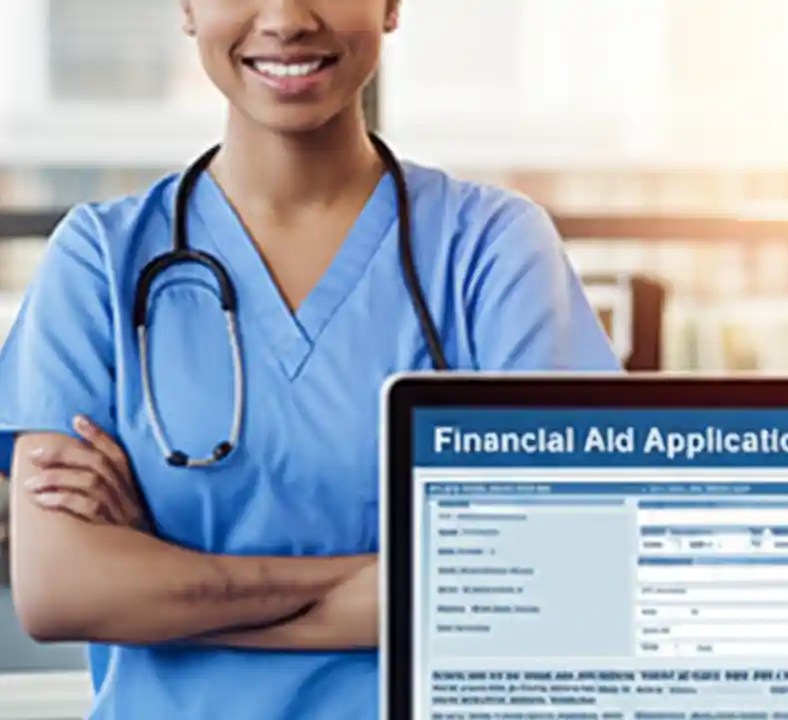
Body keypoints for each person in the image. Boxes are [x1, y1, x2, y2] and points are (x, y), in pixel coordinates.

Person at [0, 1, 619, 718]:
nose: (288, 18)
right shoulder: (100, 259)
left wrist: (174, 588)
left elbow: (562, 569)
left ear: (389, 6)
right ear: (187, 8)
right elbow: (59, 591)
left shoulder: (491, 249)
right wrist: (405, 580)